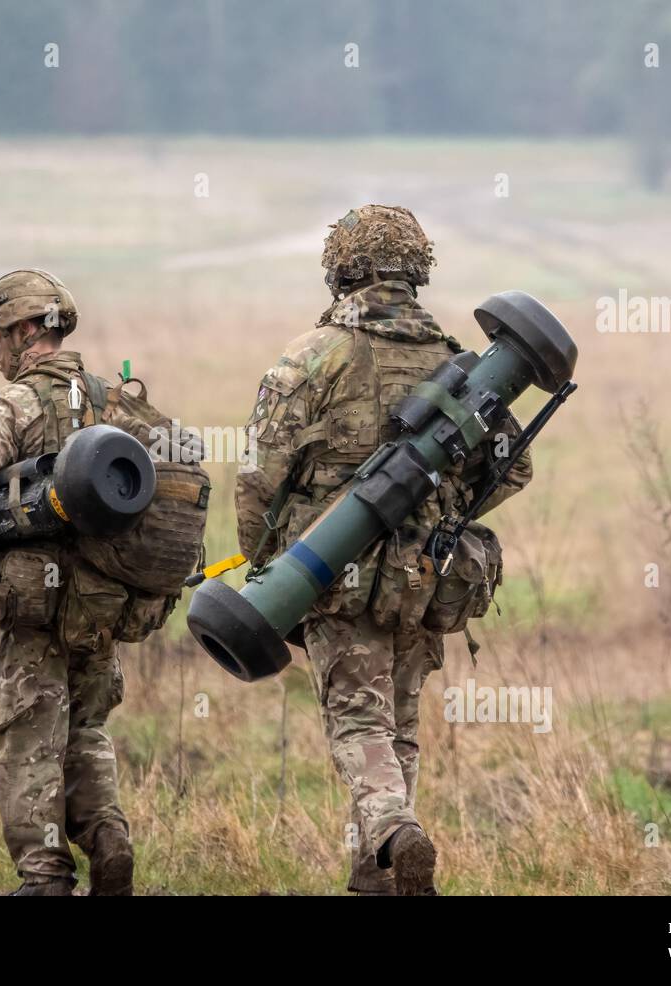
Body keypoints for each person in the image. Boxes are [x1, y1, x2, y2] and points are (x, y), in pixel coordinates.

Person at [234, 206, 532, 895]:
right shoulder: (457, 363)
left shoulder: (311, 356)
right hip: (426, 573)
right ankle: (380, 875)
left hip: (328, 571)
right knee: (398, 726)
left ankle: (396, 830)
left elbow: (258, 476)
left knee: (357, 720)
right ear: (418, 268)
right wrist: (443, 511)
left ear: (341, 268)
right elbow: (513, 467)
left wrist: (269, 567)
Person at [0, 268, 138, 896]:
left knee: (28, 738)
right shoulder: (116, 402)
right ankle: (110, 843)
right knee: (86, 733)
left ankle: (44, 877)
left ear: (24, 331)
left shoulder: (13, 404)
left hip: (33, 607)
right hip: (102, 606)